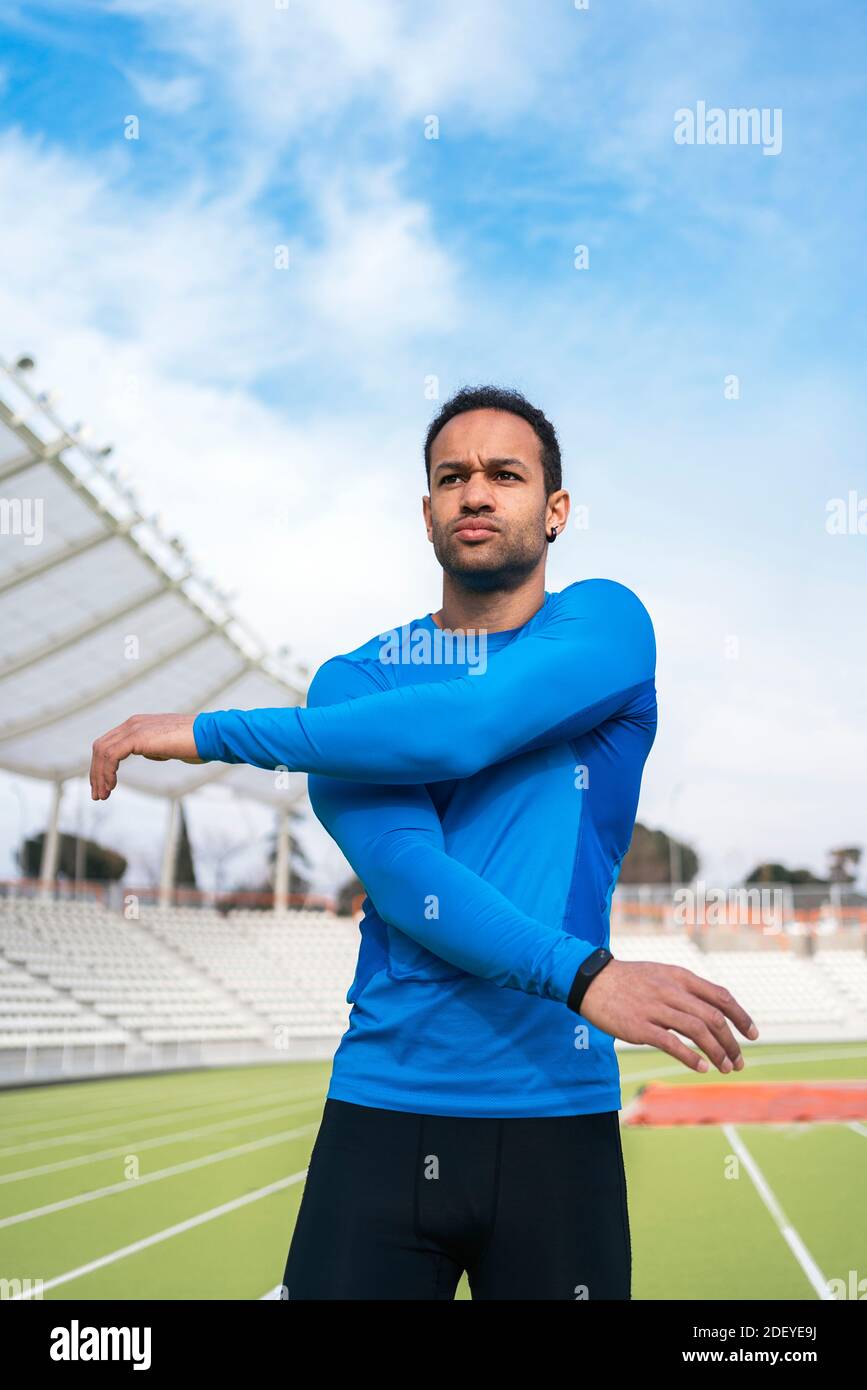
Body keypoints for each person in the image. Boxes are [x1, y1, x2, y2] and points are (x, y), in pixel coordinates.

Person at [90, 385, 758, 1300]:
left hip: (555, 1112)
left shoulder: (606, 625)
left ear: (554, 510)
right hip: (383, 1111)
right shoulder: (352, 682)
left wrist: (211, 730)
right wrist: (586, 974)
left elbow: (469, 722)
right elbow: (410, 881)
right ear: (427, 512)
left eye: (504, 475)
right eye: (453, 477)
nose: (475, 493)